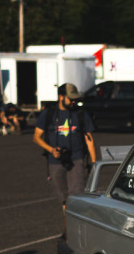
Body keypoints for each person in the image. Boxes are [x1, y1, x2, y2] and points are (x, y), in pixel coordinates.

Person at [33, 83, 97, 239]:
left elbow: (89, 140)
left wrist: (95, 164)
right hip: (55, 162)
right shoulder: (48, 114)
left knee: (77, 197)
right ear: (61, 97)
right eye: (71, 99)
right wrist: (51, 150)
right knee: (64, 200)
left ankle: (76, 232)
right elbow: (36, 137)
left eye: (76, 99)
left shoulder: (81, 114)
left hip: (77, 160)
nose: (74, 102)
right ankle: (69, 227)